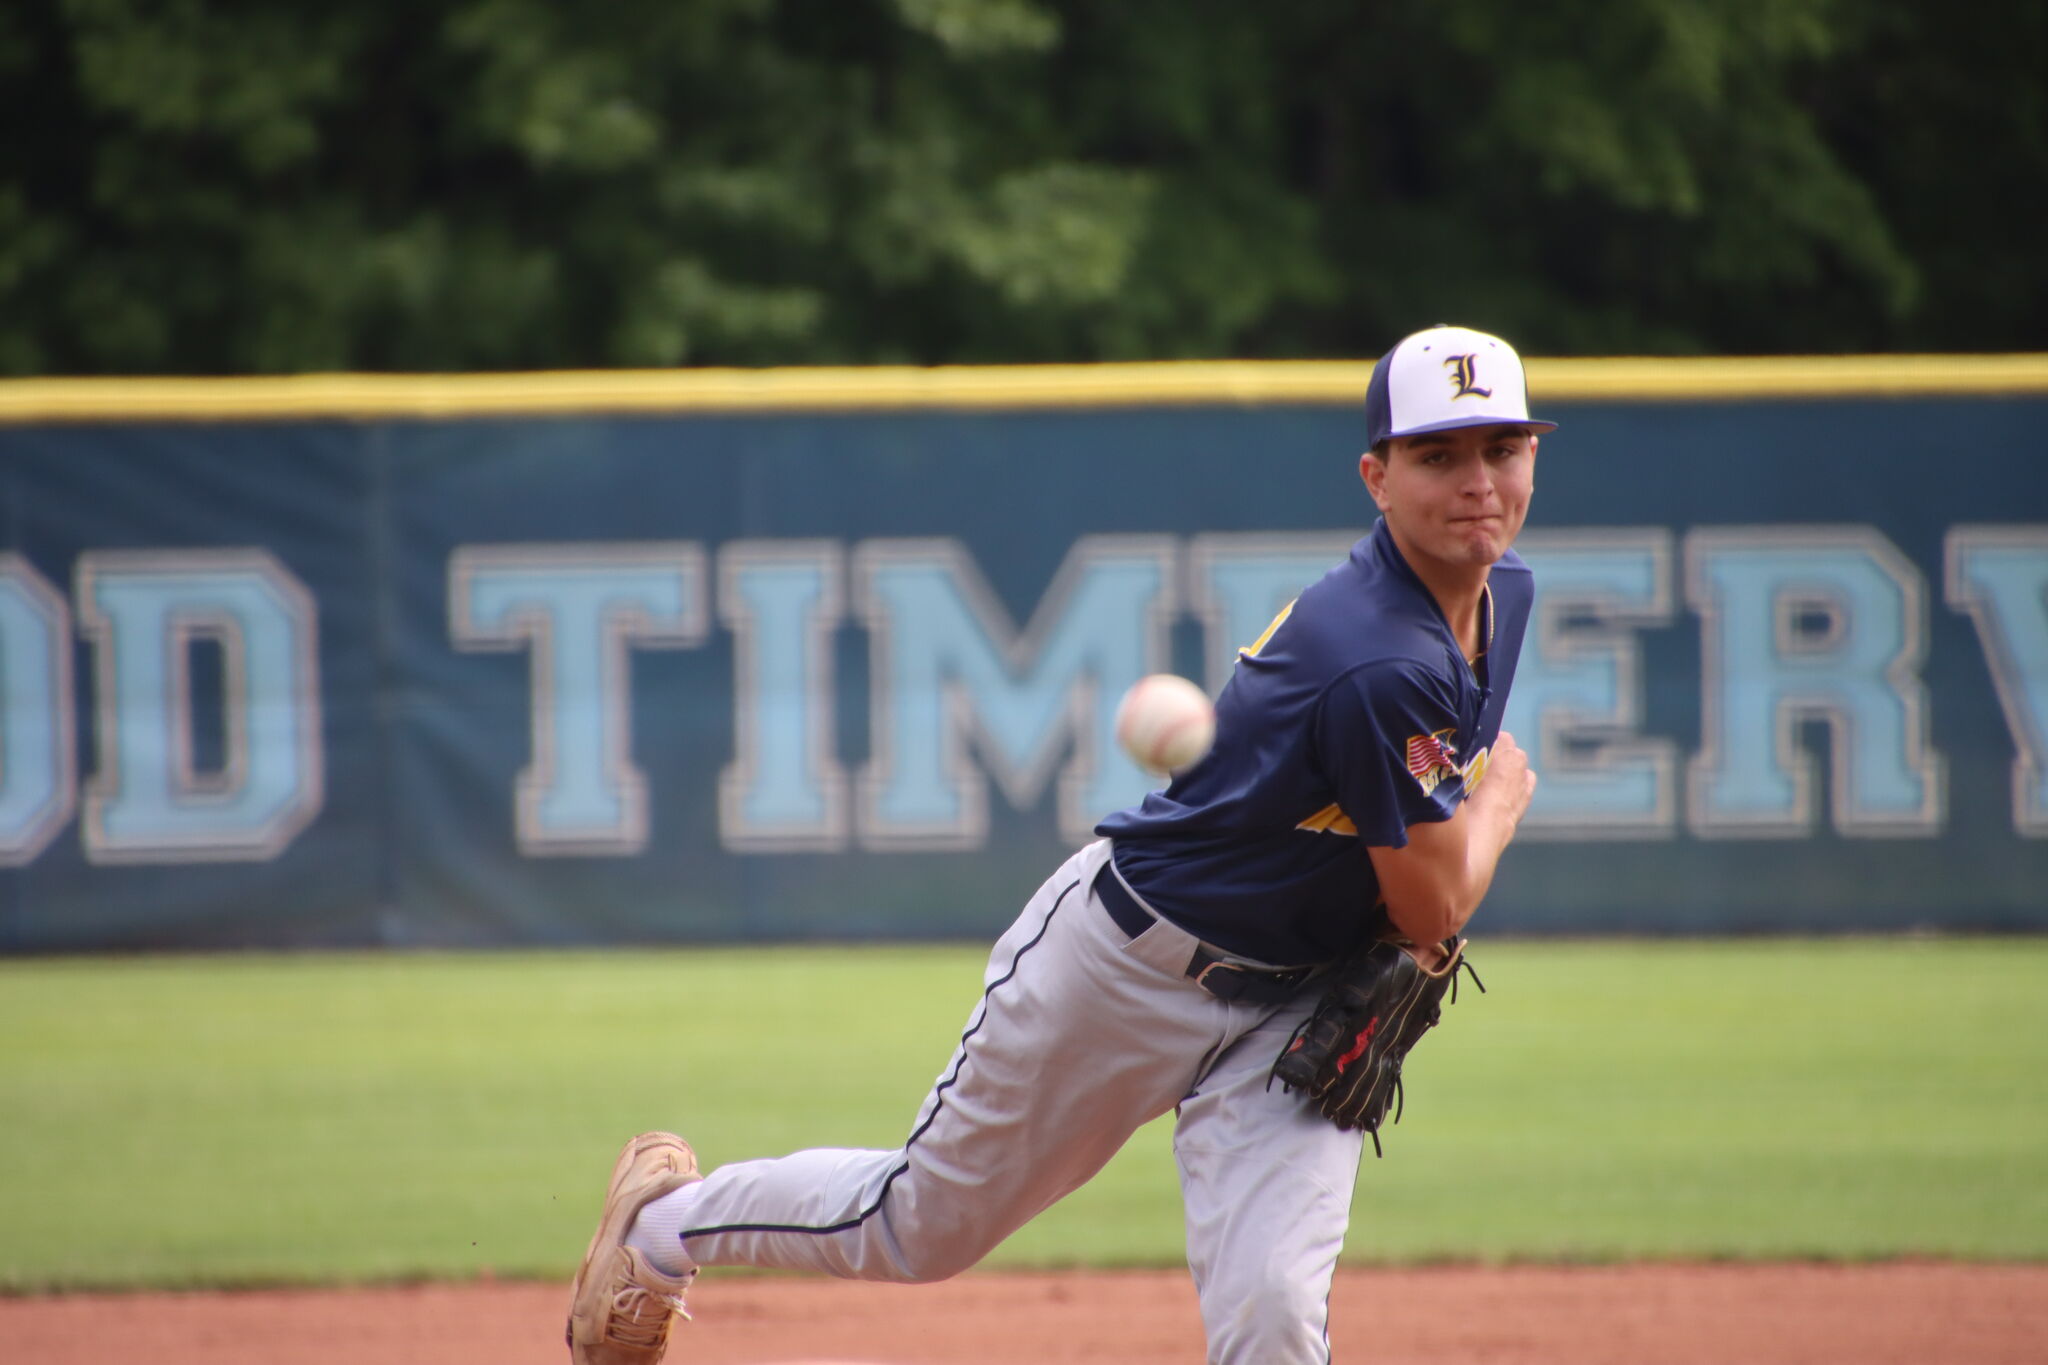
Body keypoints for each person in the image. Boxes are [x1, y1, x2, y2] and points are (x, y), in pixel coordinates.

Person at [566, 323, 1548, 1365]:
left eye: (1501, 448)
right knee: (917, 1227)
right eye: (1437, 456)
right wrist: (1498, 802)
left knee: (1271, 1312)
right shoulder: (1374, 657)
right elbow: (1431, 907)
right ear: (1375, 476)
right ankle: (661, 1227)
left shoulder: (1503, 594)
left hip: (1295, 999)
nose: (1476, 481)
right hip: (1127, 967)